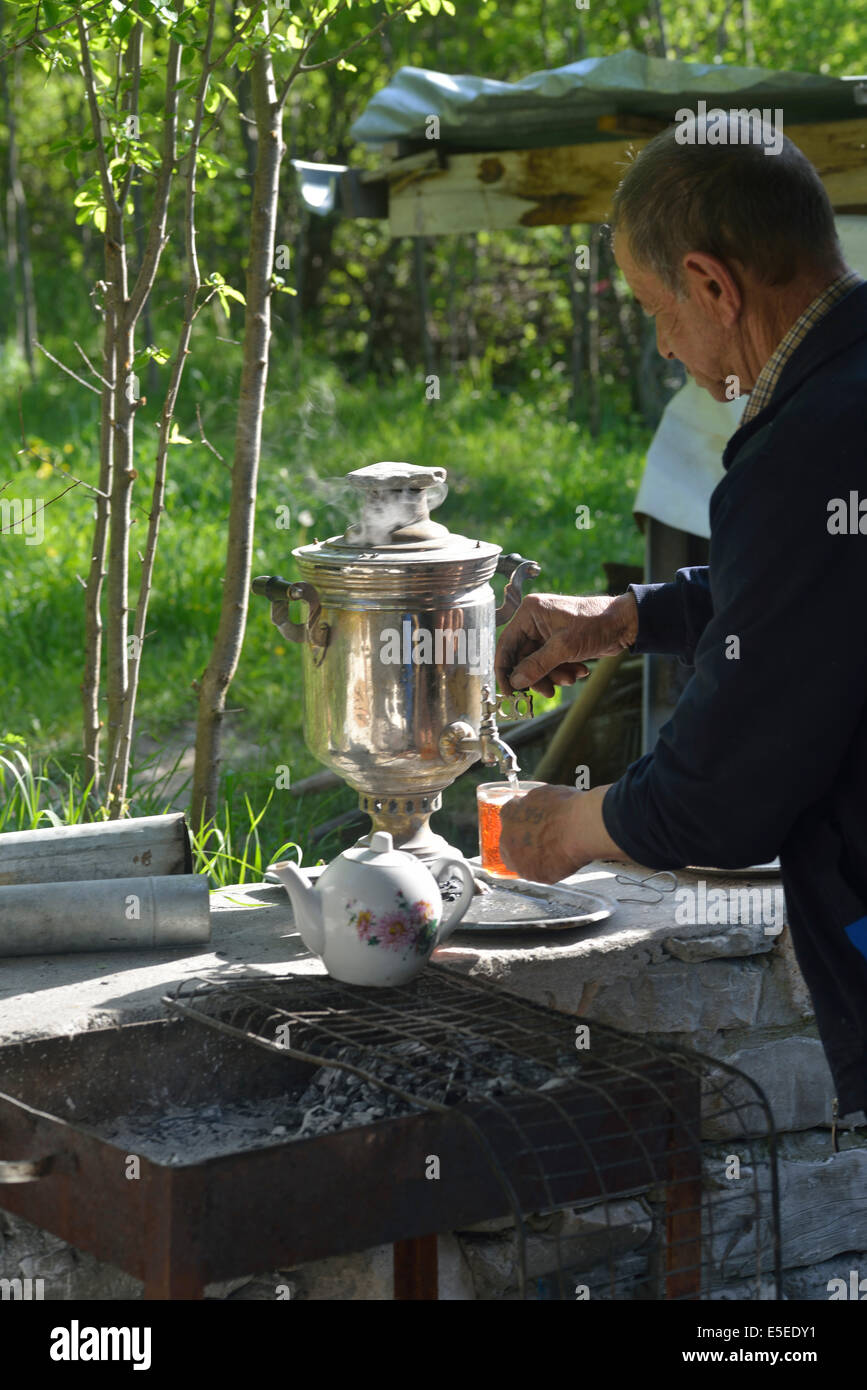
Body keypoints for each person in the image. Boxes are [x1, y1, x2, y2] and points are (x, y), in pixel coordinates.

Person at [495, 116, 867, 1117]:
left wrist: (567, 826)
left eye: (658, 310)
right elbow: (821, 596)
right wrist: (627, 618)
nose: (666, 346)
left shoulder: (802, 451)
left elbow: (722, 797)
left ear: (712, 283)